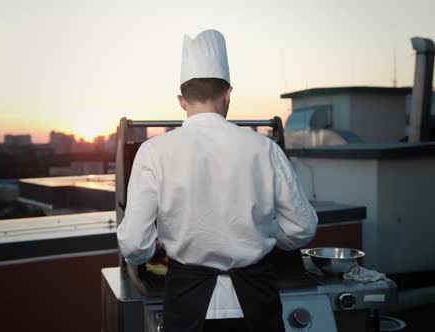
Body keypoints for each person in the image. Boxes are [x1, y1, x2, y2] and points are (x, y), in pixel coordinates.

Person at [116, 30, 318, 332]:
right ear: (227, 95)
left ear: (182, 101)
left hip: (187, 305)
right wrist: (267, 233)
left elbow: (133, 243)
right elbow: (302, 228)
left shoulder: (154, 152)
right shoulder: (264, 148)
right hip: (258, 303)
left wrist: (155, 246)